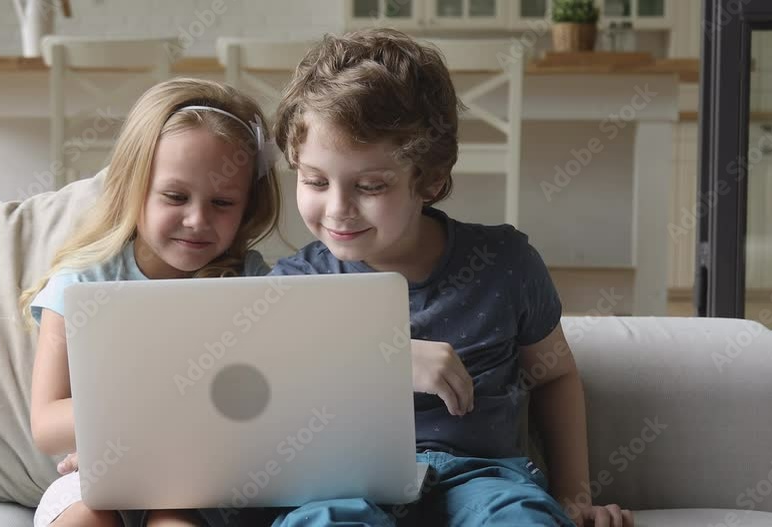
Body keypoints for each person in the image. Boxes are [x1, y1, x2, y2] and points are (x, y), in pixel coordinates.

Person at [231, 28, 633, 527]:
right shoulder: (295, 285)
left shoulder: (504, 262)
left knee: (524, 519)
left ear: (431, 179)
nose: (337, 208)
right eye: (314, 181)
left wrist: (574, 498)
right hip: (346, 486)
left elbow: (553, 374)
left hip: (485, 481)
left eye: (371, 185)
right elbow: (264, 396)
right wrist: (386, 361)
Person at [19, 78, 282, 527]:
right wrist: (170, 407)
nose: (198, 220)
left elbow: (277, 401)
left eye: (222, 202)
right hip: (98, 475)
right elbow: (47, 424)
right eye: (175, 196)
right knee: (86, 518)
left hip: (205, 484)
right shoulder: (84, 282)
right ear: (133, 187)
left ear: (246, 207)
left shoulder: (252, 284)